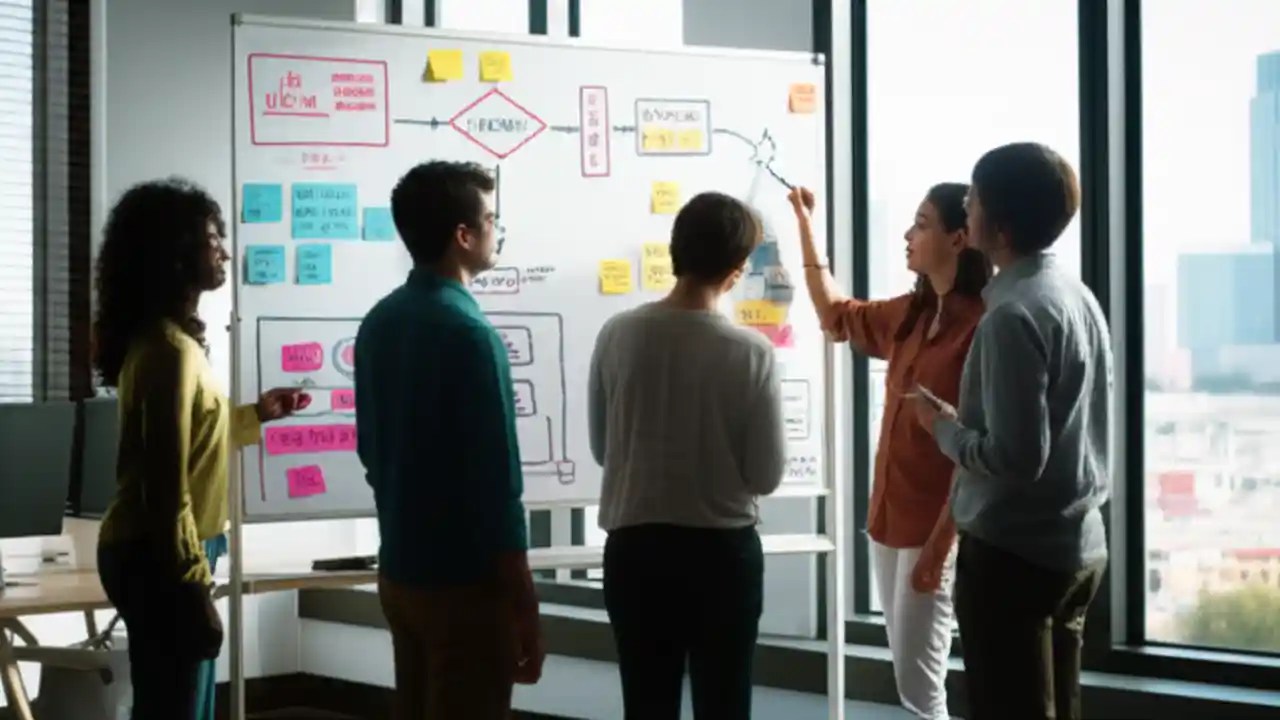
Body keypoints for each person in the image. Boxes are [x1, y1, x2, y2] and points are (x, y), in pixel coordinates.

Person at [911, 142, 1112, 720]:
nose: (965, 207)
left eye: (973, 199)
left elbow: (1017, 458)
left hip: (1014, 555)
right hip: (1077, 545)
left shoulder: (1011, 315)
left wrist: (942, 428)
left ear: (997, 226)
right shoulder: (1076, 296)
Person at [93, 178, 307, 719]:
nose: (226, 252)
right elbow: (165, 485)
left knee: (180, 701)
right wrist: (192, 585)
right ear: (176, 254)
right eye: (213, 240)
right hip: (163, 552)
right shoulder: (168, 351)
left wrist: (256, 415)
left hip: (169, 547)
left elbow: (191, 441)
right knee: (177, 707)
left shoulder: (172, 342)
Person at [787, 183, 990, 719]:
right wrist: (806, 226)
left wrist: (938, 550)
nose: (907, 235)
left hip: (936, 529)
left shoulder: (985, 327)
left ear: (958, 237)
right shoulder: (913, 315)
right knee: (910, 677)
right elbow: (835, 314)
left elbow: (979, 455)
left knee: (922, 691)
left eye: (921, 224)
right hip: (889, 516)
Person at [355, 160, 543, 719]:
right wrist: (525, 606)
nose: (497, 231)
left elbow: (370, 450)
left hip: (401, 574)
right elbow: (497, 489)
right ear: (463, 236)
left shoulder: (379, 321)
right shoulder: (471, 335)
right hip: (466, 587)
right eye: (491, 218)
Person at [588, 191, 786, 720]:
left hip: (635, 553)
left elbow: (602, 448)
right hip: (722, 558)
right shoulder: (751, 352)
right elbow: (765, 475)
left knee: (646, 704)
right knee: (724, 704)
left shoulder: (617, 333)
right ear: (738, 268)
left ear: (676, 248)